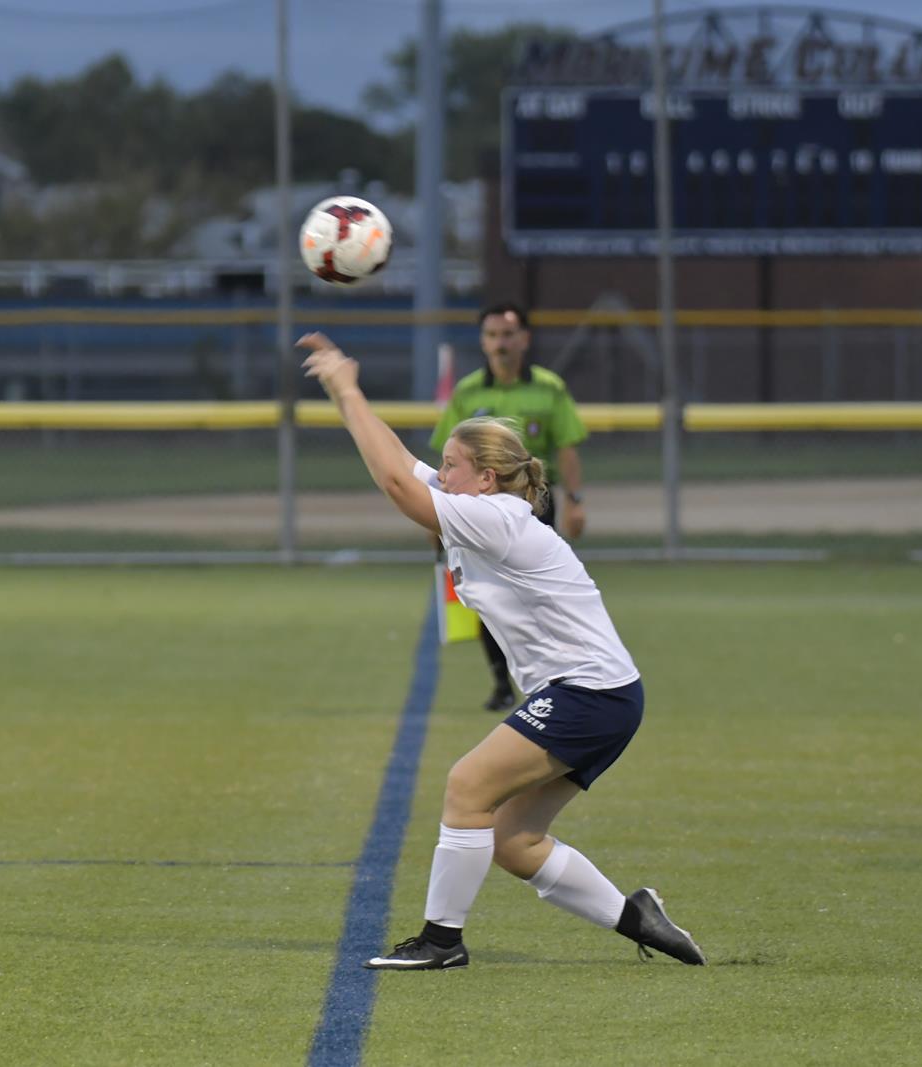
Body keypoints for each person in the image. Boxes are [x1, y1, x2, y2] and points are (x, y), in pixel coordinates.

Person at [298, 331, 704, 971]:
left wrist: (347, 390)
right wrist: (344, 391)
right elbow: (400, 464)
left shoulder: (496, 518)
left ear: (486, 478)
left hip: (589, 692)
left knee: (467, 785)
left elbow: (398, 486)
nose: (441, 474)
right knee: (514, 841)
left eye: (451, 465)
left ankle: (441, 941)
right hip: (606, 695)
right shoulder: (481, 504)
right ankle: (639, 917)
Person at [431, 304, 590, 712]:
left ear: (524, 339)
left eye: (507, 334)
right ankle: (502, 682)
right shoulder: (468, 392)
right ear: (482, 342)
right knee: (489, 598)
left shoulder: (549, 387)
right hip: (479, 512)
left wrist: (575, 501)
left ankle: (554, 678)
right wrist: (437, 517)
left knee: (540, 597)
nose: (500, 343)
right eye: (492, 335)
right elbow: (446, 458)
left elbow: (567, 448)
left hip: (535, 508)